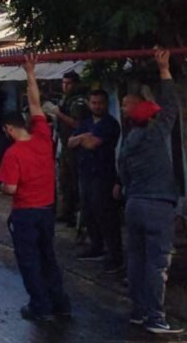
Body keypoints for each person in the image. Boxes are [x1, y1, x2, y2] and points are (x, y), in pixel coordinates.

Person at [0, 53, 72, 322]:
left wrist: (7, 187)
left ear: (8, 129)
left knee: (29, 260)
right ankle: (60, 302)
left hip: (26, 212)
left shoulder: (13, 154)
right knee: (48, 255)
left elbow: (9, 188)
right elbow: (35, 103)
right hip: (47, 209)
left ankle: (40, 305)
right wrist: (30, 72)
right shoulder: (42, 137)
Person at [117, 48, 183, 334]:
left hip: (134, 204)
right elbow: (172, 107)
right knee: (157, 264)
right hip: (157, 206)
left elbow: (122, 174)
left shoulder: (128, 141)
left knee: (136, 259)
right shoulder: (156, 134)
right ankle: (156, 318)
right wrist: (164, 70)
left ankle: (139, 312)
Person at [70, 88, 124, 273]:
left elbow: (92, 144)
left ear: (106, 104)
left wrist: (83, 139)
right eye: (93, 103)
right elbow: (71, 142)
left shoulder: (110, 124)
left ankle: (115, 255)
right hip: (86, 173)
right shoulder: (85, 122)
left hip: (103, 174)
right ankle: (96, 247)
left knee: (106, 214)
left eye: (99, 103)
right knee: (89, 211)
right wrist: (83, 137)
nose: (96, 106)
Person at [54, 70, 91, 227]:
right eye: (63, 83)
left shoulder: (79, 102)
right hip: (66, 145)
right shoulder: (67, 100)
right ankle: (67, 212)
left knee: (76, 181)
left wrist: (58, 114)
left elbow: (77, 124)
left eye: (68, 83)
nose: (65, 86)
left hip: (78, 147)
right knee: (65, 181)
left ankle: (79, 215)